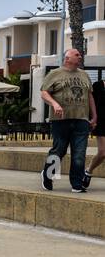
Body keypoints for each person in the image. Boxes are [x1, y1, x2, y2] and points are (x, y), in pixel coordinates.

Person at [40, 48, 96, 192]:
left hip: (81, 120)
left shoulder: (84, 75)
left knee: (79, 154)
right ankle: (48, 175)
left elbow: (90, 96)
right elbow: (44, 92)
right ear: (67, 58)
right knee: (59, 151)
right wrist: (54, 103)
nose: (80, 57)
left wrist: (94, 116)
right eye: (77, 55)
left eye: (80, 55)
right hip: (60, 120)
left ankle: (77, 184)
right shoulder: (54, 74)